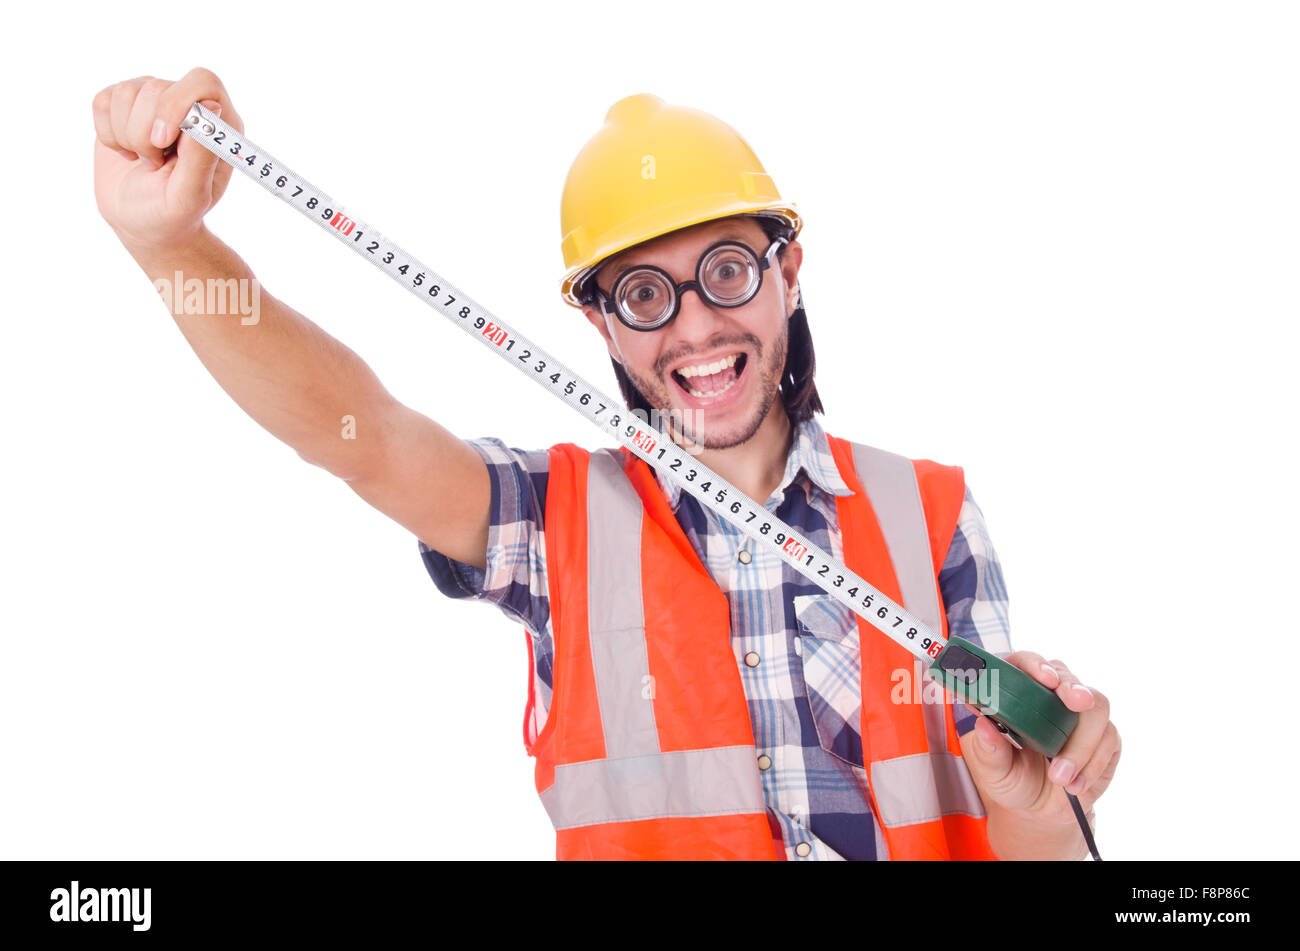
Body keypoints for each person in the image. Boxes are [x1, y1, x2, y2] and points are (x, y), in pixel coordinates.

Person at [92, 68, 1121, 861]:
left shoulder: (928, 513)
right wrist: (171, 250)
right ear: (601, 325)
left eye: (727, 270)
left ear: (788, 273)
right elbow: (358, 434)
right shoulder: (551, 523)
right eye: (643, 295)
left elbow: (1031, 845)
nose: (696, 327)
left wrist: (1039, 805)